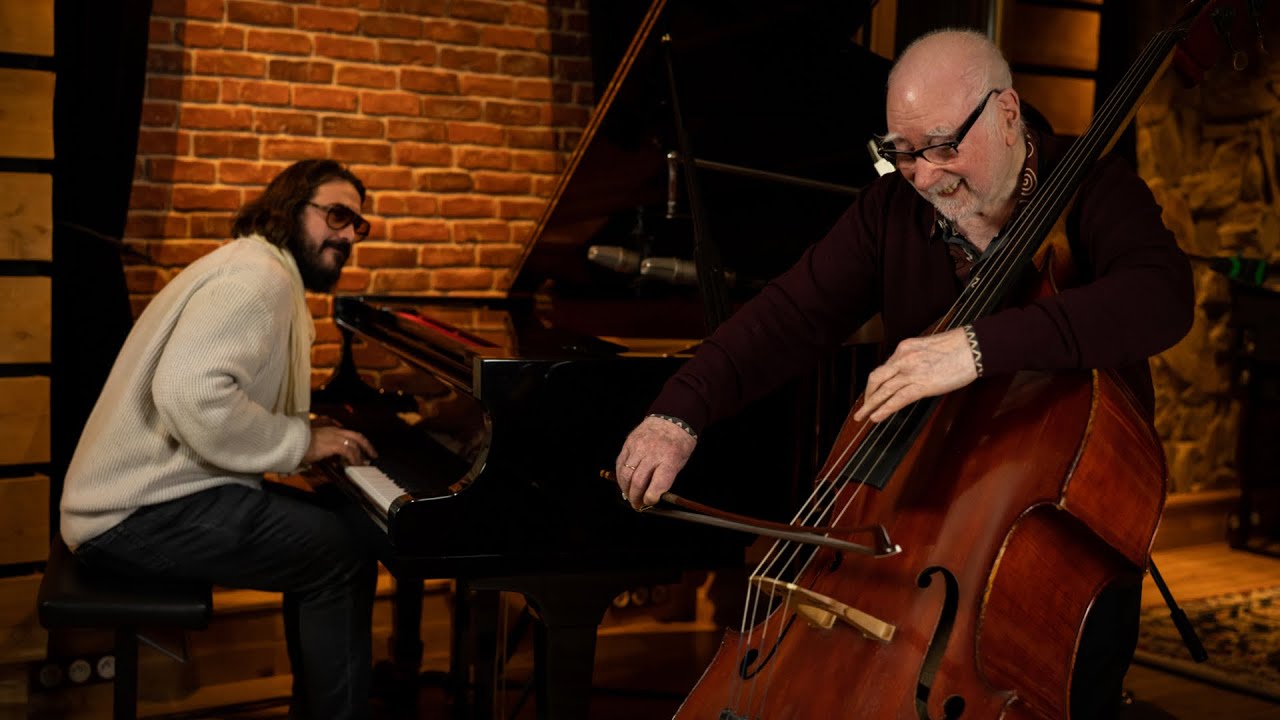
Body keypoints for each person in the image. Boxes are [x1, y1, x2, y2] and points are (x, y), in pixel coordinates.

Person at [614, 29, 1194, 719]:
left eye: (943, 146)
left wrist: (973, 347)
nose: (922, 176)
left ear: (1007, 113)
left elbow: (1161, 298)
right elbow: (788, 315)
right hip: (917, 544)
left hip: (1057, 553)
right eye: (900, 151)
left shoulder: (1096, 189)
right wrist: (678, 412)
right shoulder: (891, 211)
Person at [60, 159, 380, 720]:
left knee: (337, 529)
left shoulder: (254, 266)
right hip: (131, 514)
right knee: (342, 555)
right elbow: (193, 393)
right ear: (289, 208)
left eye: (358, 224)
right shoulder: (258, 279)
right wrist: (301, 444)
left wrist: (302, 433)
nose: (349, 234)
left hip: (148, 496)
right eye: (336, 215)